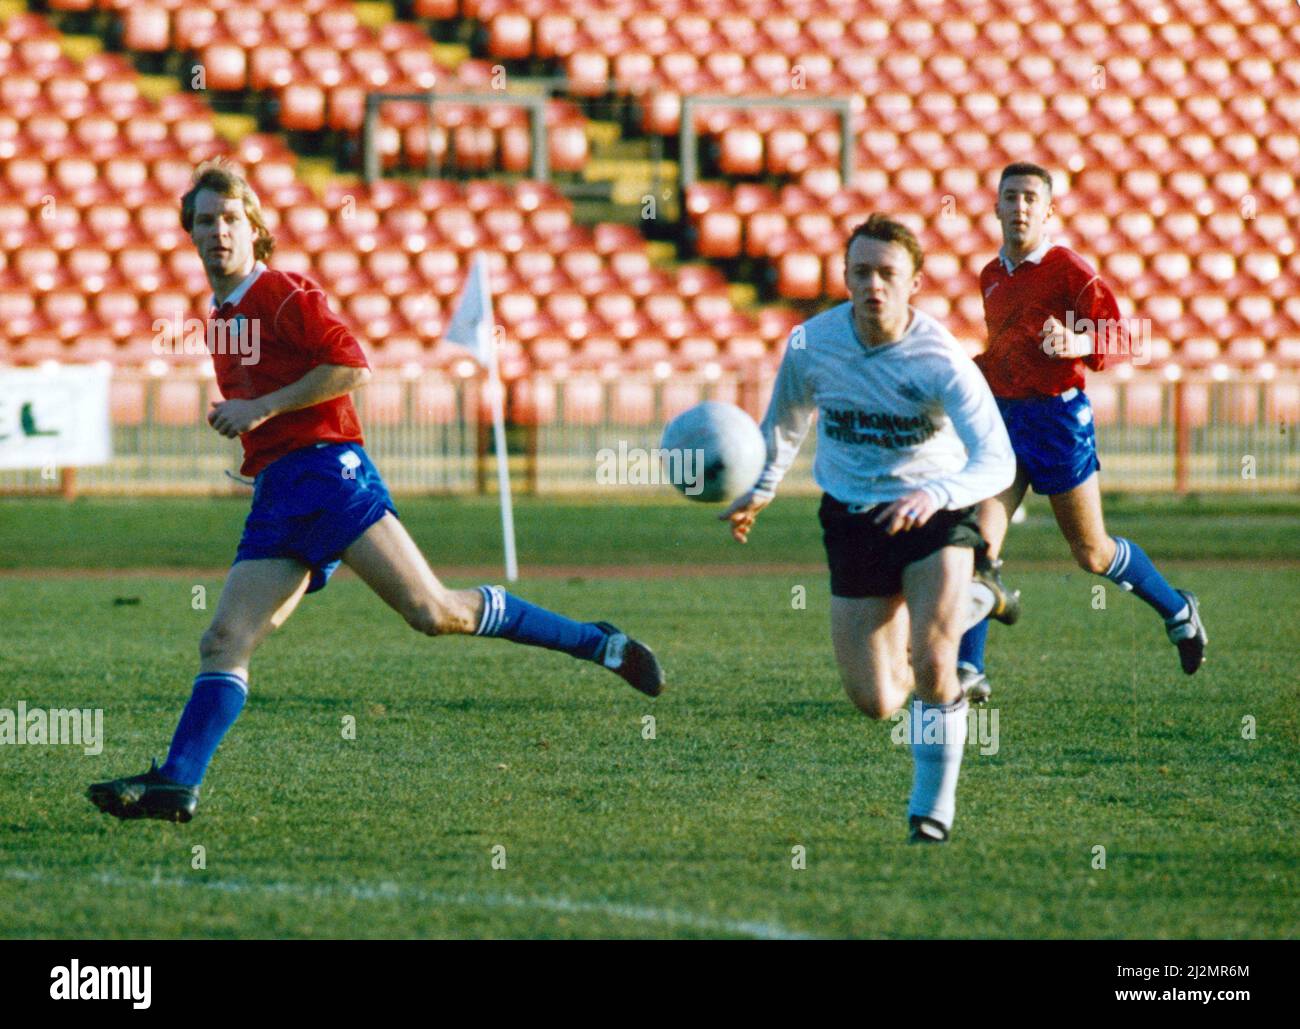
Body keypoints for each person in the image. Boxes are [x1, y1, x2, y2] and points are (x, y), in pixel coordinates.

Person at [89, 159, 663, 823]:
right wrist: (253, 446)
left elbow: (352, 366)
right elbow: (268, 407)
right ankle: (176, 781)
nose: (218, 231)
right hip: (280, 494)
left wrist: (261, 410)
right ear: (188, 233)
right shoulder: (222, 317)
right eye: (205, 220)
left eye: (230, 219)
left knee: (433, 611)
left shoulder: (279, 291)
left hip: (331, 476)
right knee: (224, 639)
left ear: (253, 228)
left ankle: (600, 642)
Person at [721, 215, 1016, 843]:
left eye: (888, 273)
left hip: (934, 515)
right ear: (846, 277)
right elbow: (786, 421)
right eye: (862, 272)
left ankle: (931, 812)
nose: (874, 285)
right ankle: (976, 599)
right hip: (852, 516)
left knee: (936, 666)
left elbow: (999, 460)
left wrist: (935, 492)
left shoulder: (941, 359)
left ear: (914, 282)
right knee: (878, 700)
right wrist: (762, 489)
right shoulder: (812, 343)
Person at [955, 163, 1207, 701]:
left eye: (1030, 198)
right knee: (980, 546)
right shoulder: (991, 276)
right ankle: (968, 671)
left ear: (1048, 211)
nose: (1019, 206)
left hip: (1056, 421)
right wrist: (959, 372)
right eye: (1010, 196)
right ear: (996, 207)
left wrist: (1077, 343)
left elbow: (1128, 336)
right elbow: (1004, 352)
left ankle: (1179, 610)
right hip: (1004, 420)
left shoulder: (1068, 268)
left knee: (1091, 554)